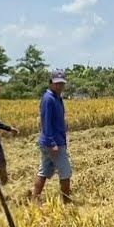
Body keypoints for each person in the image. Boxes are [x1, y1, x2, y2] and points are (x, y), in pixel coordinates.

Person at [33, 70, 72, 204]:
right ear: (51, 83)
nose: (60, 86)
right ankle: (67, 203)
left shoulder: (57, 98)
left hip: (53, 141)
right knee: (66, 173)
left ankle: (35, 199)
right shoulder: (49, 99)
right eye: (57, 84)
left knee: (44, 171)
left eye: (62, 83)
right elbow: (46, 122)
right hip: (53, 143)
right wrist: (52, 143)